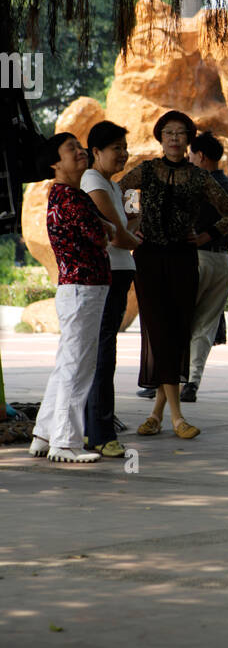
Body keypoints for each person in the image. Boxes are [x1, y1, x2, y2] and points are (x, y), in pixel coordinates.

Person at [119, 111, 228, 440]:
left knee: (175, 334)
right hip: (148, 259)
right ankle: (175, 417)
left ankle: (158, 414)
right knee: (159, 332)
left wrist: (204, 236)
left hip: (184, 260)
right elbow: (114, 191)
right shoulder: (146, 170)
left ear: (189, 140)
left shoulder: (200, 178)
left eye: (181, 133)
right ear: (160, 138)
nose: (174, 138)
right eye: (169, 133)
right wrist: (131, 227)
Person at [29, 133, 111, 464]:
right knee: (78, 367)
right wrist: (107, 227)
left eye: (80, 147)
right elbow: (103, 236)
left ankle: (44, 434)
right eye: (71, 149)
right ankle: (65, 442)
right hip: (83, 288)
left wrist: (106, 227)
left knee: (68, 364)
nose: (80, 152)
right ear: (55, 163)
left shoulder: (69, 195)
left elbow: (105, 231)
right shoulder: (71, 198)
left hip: (77, 289)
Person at [181, 130, 228, 402]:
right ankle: (192, 382)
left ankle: (165, 380)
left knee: (180, 320)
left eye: (191, 154)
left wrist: (203, 234)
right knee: (206, 325)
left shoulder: (195, 183)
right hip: (222, 262)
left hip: (195, 258)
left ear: (200, 156)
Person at [81, 122, 141, 457]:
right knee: (103, 353)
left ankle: (97, 428)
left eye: (124, 147)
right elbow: (117, 236)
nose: (123, 154)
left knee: (105, 351)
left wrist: (134, 216)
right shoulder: (92, 181)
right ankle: (99, 433)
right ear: (97, 152)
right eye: (116, 147)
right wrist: (135, 240)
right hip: (108, 274)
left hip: (120, 273)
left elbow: (126, 228)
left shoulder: (113, 186)